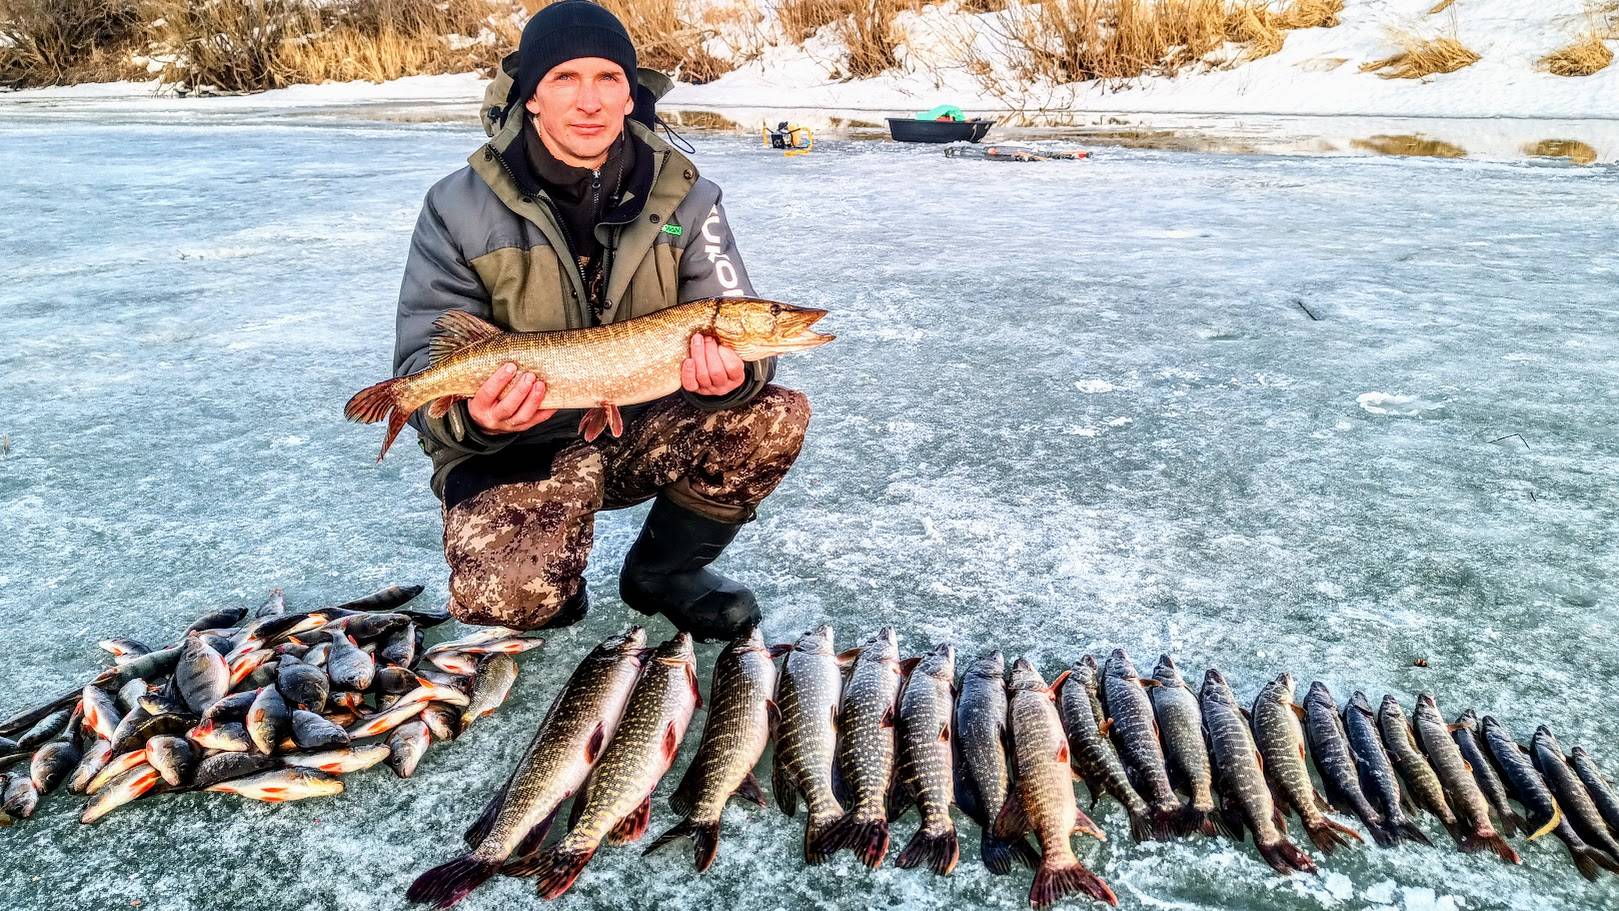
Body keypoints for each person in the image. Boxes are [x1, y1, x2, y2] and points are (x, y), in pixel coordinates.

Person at [391, 0, 811, 641]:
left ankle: (664, 573)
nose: (588, 101)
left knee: (769, 414)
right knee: (513, 600)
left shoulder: (689, 197)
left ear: (629, 95)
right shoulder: (457, 205)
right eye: (565, 79)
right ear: (531, 96)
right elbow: (427, 353)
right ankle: (551, 583)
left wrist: (738, 373)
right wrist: (475, 418)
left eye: (608, 78)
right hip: (521, 446)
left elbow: (736, 307)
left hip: (639, 423)